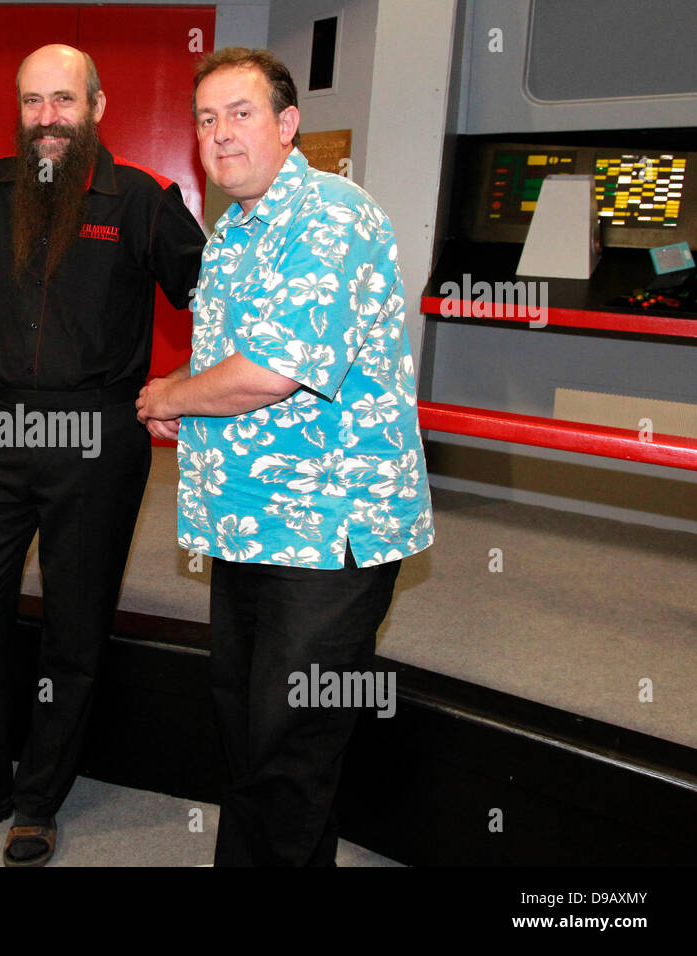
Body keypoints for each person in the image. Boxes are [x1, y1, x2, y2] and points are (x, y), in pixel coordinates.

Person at [0, 43, 207, 865]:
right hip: (0, 434)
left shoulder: (143, 198)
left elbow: (214, 291)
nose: (46, 119)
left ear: (97, 108)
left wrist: (192, 389)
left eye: (63, 101)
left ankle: (39, 799)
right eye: (33, 102)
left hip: (95, 441)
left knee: (74, 631)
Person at [137, 47, 435, 866]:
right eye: (206, 118)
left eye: (240, 113)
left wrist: (168, 396)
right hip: (249, 525)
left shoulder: (331, 215)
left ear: (287, 124)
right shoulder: (236, 228)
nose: (220, 134)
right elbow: (233, 372)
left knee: (289, 745)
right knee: (250, 734)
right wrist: (193, 409)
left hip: (328, 535)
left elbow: (270, 373)